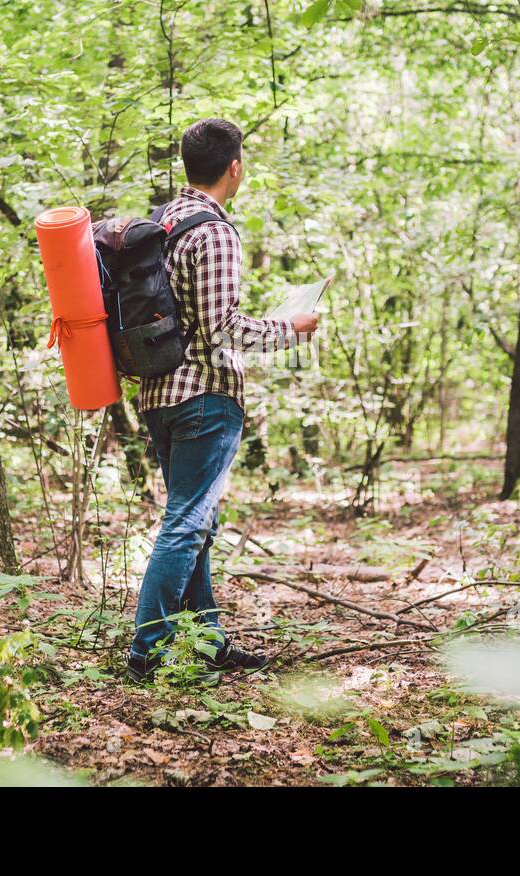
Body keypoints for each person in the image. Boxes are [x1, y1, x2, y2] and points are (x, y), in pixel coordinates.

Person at [126, 118, 319, 683]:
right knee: (187, 522)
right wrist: (291, 327)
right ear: (234, 166)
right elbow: (220, 330)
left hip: (159, 394)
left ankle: (208, 639)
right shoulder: (213, 232)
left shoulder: (163, 221)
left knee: (196, 521)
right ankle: (148, 650)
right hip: (204, 397)